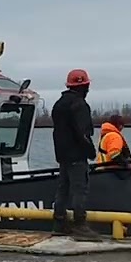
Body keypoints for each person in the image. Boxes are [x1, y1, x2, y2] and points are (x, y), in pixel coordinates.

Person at [51, 69, 100, 241]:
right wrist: (91, 152)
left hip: (63, 155)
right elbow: (83, 133)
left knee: (62, 189)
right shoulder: (80, 105)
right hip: (77, 155)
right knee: (79, 189)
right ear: (84, 86)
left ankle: (59, 223)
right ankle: (80, 224)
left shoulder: (58, 104)